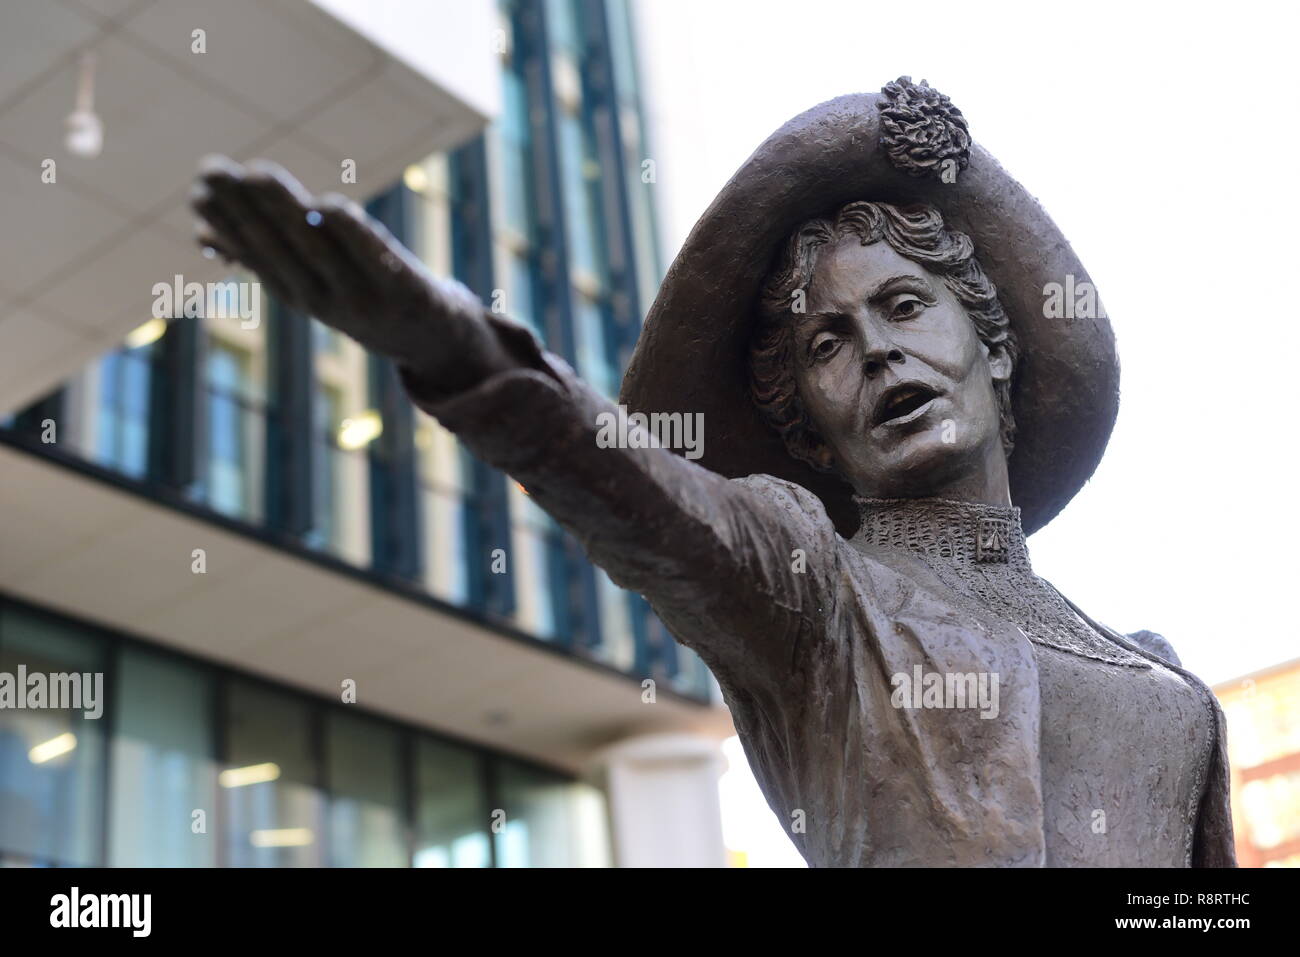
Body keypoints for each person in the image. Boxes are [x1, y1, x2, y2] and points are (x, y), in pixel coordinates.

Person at [191, 78, 1234, 867]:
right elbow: (635, 491)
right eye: (827, 344)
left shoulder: (1160, 675)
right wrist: (455, 347)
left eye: (905, 306)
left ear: (994, 342)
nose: (875, 350)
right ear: (811, 430)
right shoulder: (812, 588)